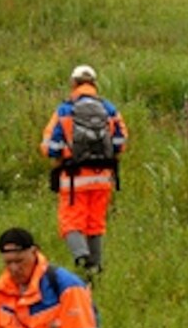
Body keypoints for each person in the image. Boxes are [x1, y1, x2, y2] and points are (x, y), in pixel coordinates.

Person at [40, 65, 129, 280]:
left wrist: (63, 155)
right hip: (103, 177)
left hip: (74, 178)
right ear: (94, 83)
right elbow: (121, 141)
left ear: (73, 83)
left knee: (71, 222)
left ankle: (82, 259)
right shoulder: (109, 109)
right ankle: (95, 269)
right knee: (95, 223)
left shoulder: (65, 110)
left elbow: (49, 145)